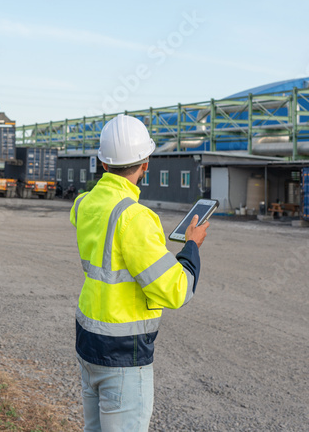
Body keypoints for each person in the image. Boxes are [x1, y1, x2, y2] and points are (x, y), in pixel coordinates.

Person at [70, 114, 207, 432]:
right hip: (122, 352)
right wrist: (191, 247)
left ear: (103, 164)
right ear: (146, 164)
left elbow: (90, 215)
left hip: (88, 339)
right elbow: (175, 291)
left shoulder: (85, 204)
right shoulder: (135, 217)